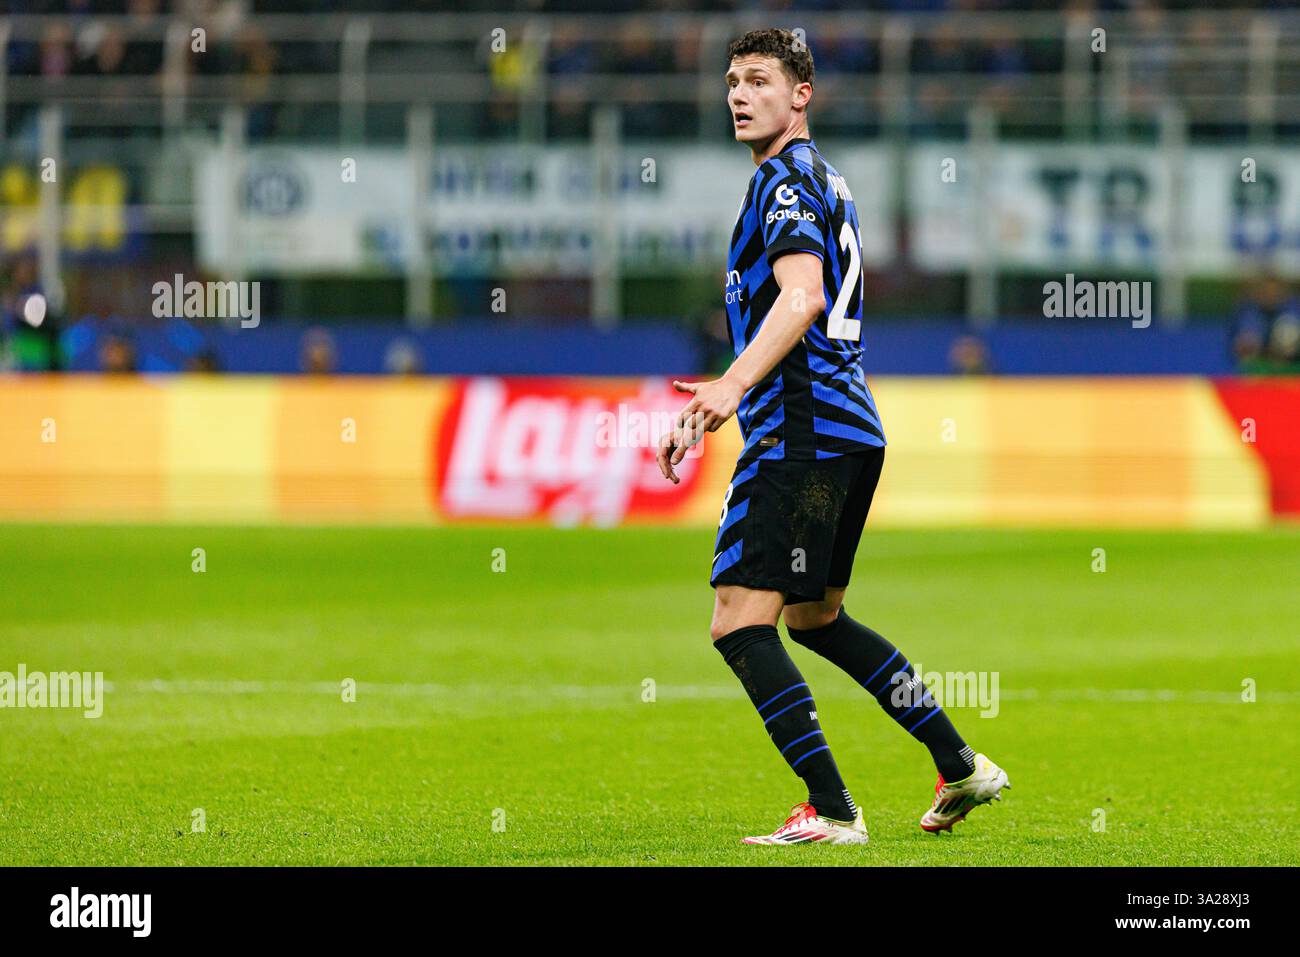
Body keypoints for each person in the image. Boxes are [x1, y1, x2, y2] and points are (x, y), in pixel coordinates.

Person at [656, 29, 1009, 846]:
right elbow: (792, 309)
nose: (740, 95)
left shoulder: (783, 180)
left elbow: (804, 296)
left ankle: (833, 810)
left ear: (801, 93)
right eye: (732, 81)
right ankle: (959, 763)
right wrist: (722, 388)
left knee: (739, 622)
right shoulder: (823, 178)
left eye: (760, 81)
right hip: (849, 426)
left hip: (802, 430)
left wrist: (731, 386)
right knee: (815, 618)